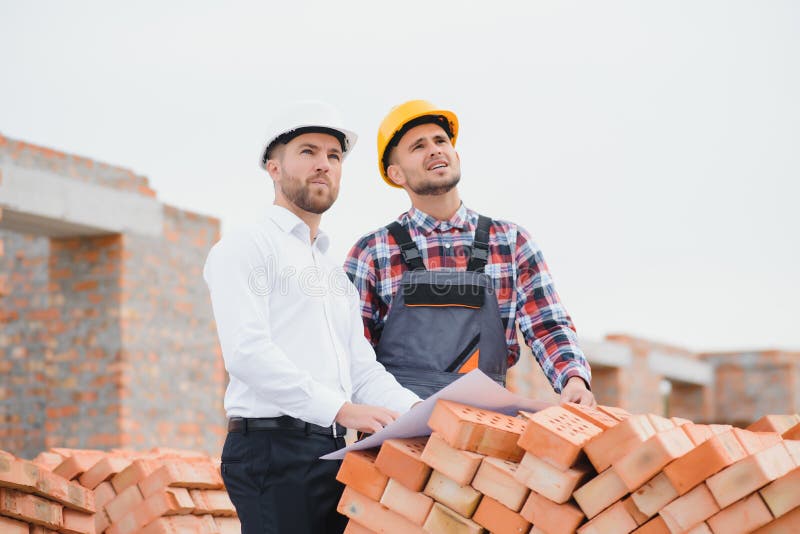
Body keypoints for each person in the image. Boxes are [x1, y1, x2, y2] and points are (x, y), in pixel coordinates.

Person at [203, 101, 420, 534]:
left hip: (333, 454)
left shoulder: (333, 276)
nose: (323, 164)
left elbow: (363, 371)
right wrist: (341, 410)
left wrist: (423, 415)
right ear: (274, 168)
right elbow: (247, 354)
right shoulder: (246, 248)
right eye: (308, 152)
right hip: (271, 451)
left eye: (334, 156)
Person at [344, 99, 595, 406]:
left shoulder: (511, 242)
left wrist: (573, 379)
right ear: (397, 174)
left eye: (441, 141)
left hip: (484, 428)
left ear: (456, 155)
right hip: (398, 426)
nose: (435, 149)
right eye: (418, 146)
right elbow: (353, 354)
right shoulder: (372, 252)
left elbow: (547, 325)